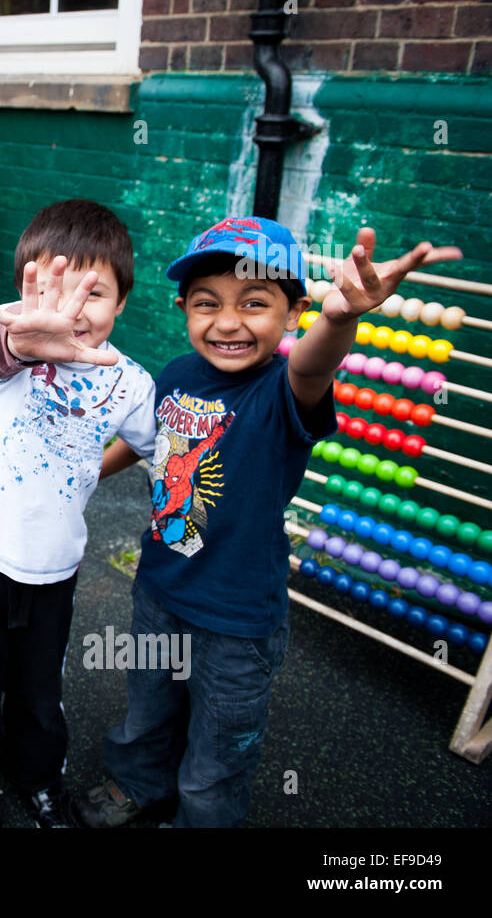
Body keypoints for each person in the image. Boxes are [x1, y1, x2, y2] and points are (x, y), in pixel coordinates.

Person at [77, 216, 461, 828]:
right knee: (148, 705)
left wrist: (338, 320)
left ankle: (203, 818)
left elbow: (312, 367)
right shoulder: (176, 373)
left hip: (237, 618)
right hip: (160, 589)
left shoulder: (284, 392)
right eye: (207, 303)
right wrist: (92, 471)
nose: (227, 321)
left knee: (219, 745)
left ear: (292, 313)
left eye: (254, 303)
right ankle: (136, 782)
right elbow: (152, 441)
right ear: (183, 308)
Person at [0, 200, 158, 828]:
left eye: (95, 291)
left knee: (38, 689)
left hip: (53, 565)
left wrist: (96, 470)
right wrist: (22, 333)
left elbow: (147, 439)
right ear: (26, 290)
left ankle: (36, 775)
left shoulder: (130, 381)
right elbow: (9, 346)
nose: (73, 309)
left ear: (123, 303)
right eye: (54, 288)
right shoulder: (5, 344)